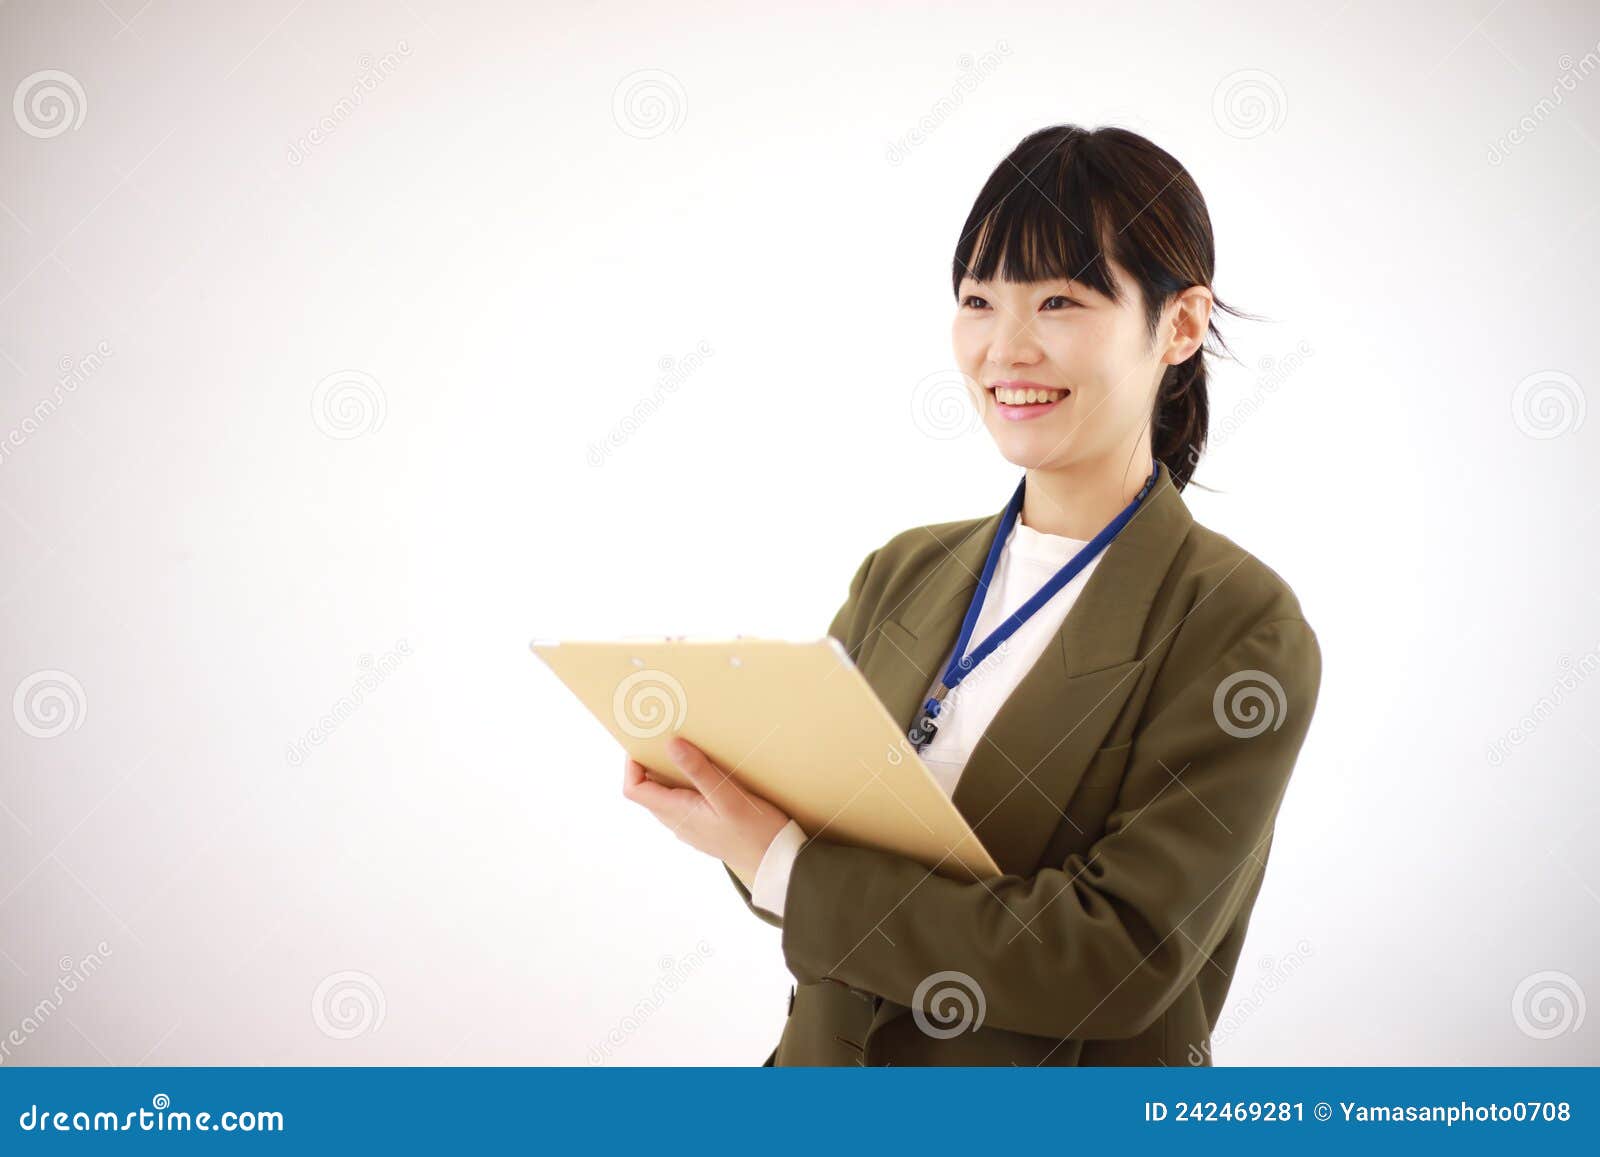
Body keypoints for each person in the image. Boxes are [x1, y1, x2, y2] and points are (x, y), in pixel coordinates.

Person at [623, 124, 1322, 1066]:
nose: (1006, 347)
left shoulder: (1239, 624)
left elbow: (1113, 955)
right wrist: (730, 796)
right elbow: (792, 868)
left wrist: (782, 859)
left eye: (1061, 301)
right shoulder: (902, 571)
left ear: (1182, 326)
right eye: (978, 300)